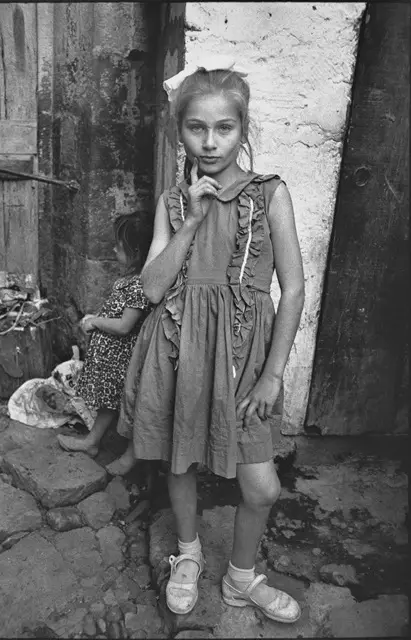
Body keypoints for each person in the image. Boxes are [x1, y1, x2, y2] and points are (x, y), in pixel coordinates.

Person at [117, 57, 305, 622]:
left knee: (261, 487)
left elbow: (292, 290)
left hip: (245, 360)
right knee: (180, 462)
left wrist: (272, 375)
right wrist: (193, 221)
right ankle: (190, 555)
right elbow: (150, 289)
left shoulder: (270, 195)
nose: (210, 141)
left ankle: (241, 579)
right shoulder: (173, 203)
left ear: (242, 132)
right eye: (197, 127)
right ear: (180, 131)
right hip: (178, 351)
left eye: (224, 128)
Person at [57, 211, 152, 468]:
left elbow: (124, 326)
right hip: (112, 360)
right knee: (110, 403)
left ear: (135, 251)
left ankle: (130, 454)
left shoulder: (139, 285)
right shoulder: (129, 281)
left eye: (118, 247)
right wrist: (95, 316)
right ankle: (93, 441)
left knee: (125, 404)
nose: (113, 249)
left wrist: (96, 322)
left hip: (122, 361)